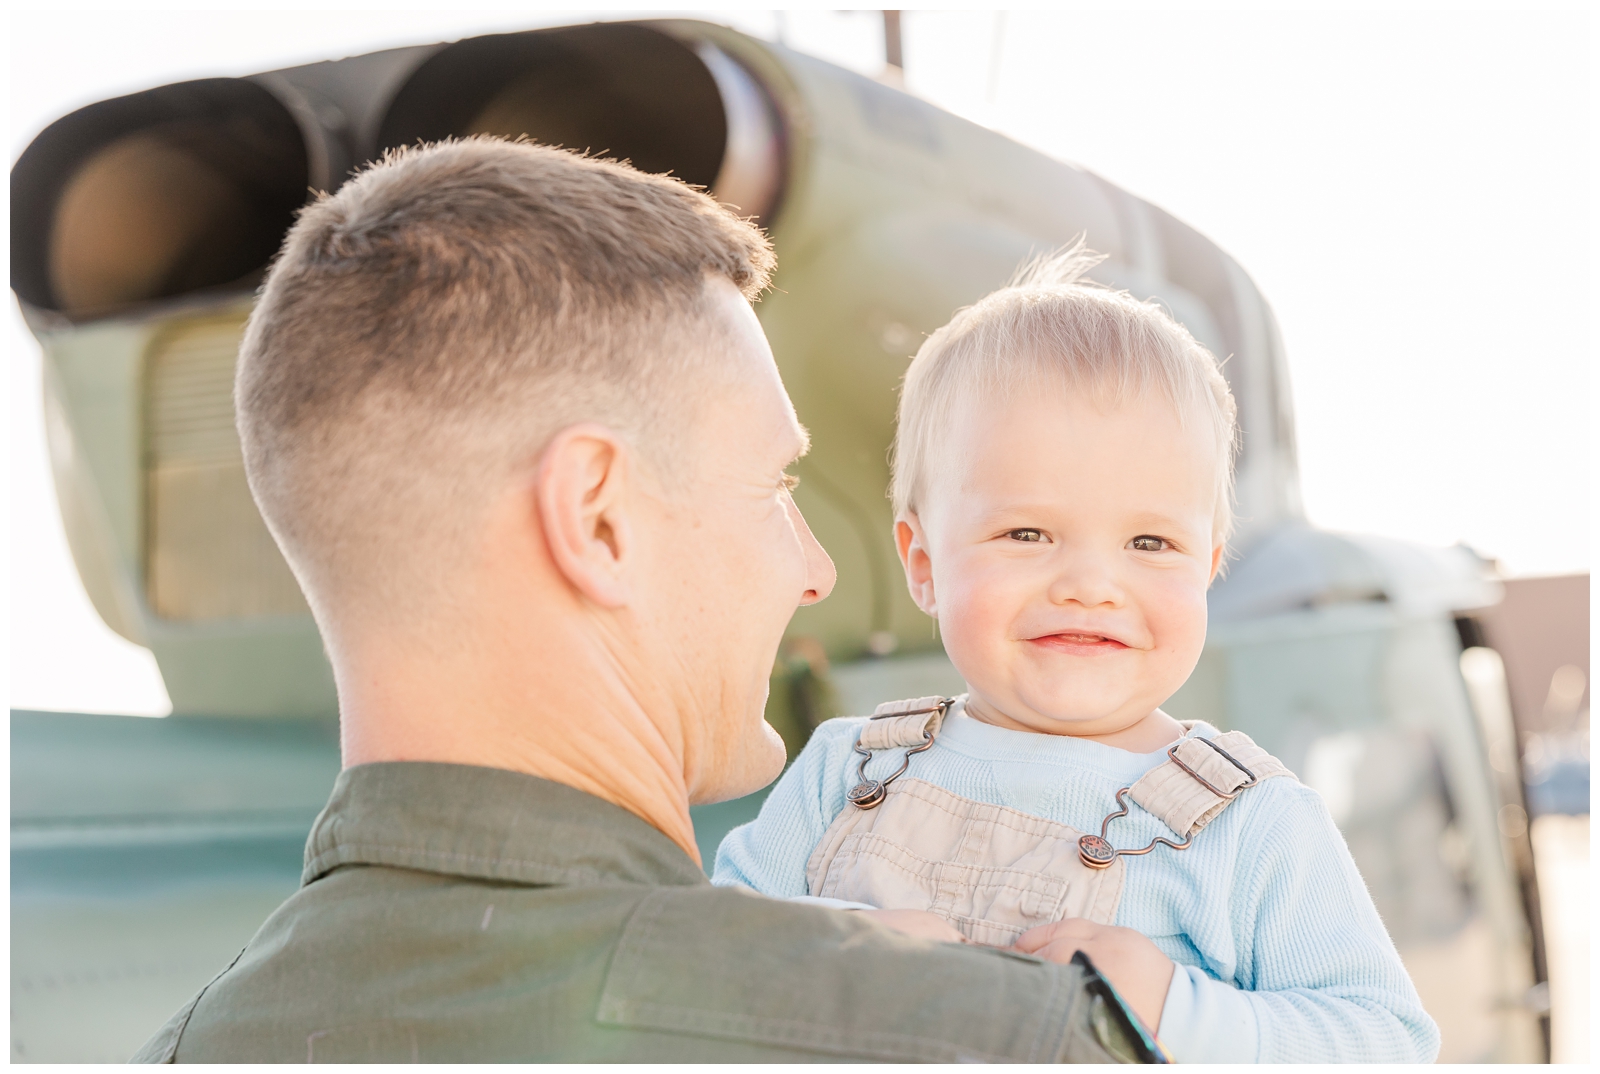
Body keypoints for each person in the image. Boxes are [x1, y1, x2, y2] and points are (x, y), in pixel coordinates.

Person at [131, 140, 1153, 1063]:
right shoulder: (989, 1034)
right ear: (599, 518)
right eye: (774, 488)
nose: (814, 571)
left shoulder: (185, 1050)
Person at [713, 248, 1443, 1063]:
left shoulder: (1252, 825)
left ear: (1206, 567)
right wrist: (842, 947)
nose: (1092, 584)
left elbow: (1384, 1043)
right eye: (1027, 534)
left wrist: (1172, 1005)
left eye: (1149, 541)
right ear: (923, 563)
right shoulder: (848, 773)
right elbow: (706, 953)